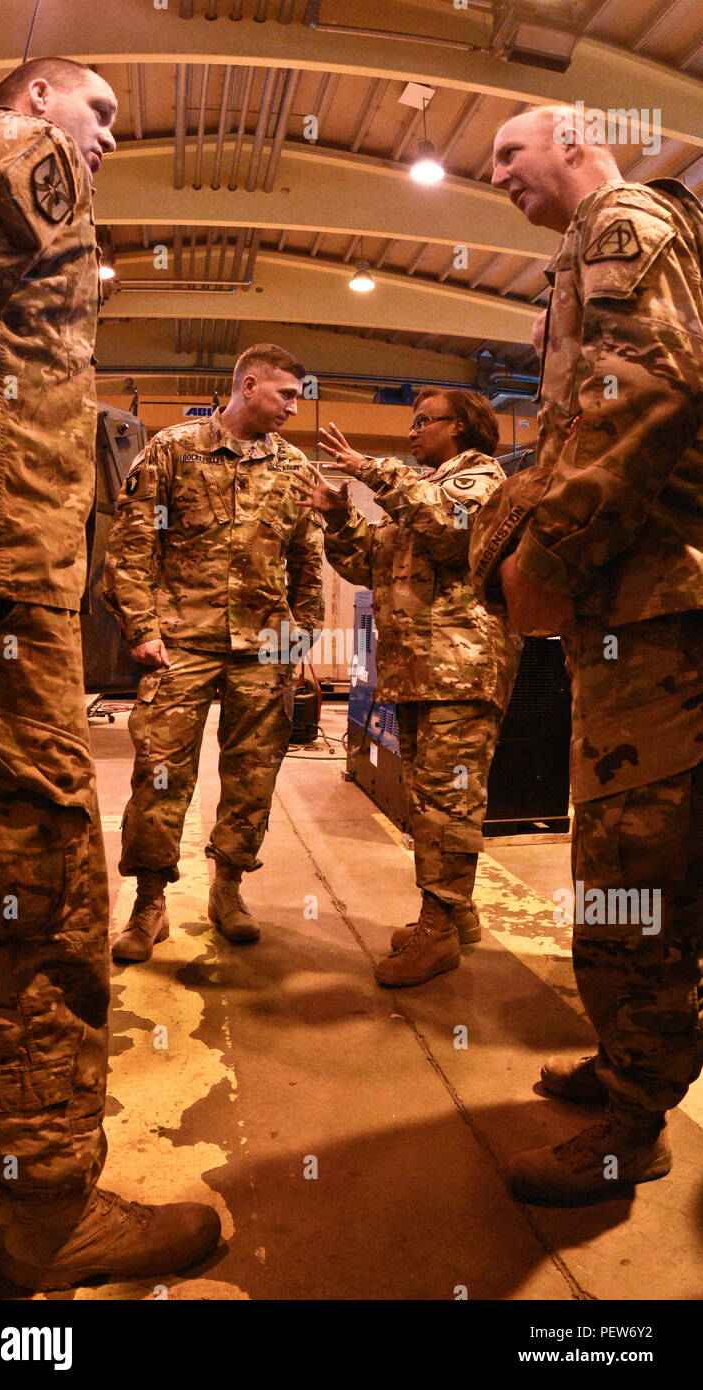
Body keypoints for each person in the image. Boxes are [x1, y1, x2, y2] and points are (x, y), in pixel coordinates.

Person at [0, 56, 220, 1289]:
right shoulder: (17, 154)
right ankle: (46, 1207)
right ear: (39, 95)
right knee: (35, 882)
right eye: (99, 111)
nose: (106, 138)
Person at [470, 104, 703, 1203]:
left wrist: (546, 559)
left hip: (663, 608)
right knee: (635, 859)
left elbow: (642, 394)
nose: (493, 172)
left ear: (573, 142)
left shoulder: (620, 222)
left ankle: (633, 1119)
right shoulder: (582, 254)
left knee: (627, 870)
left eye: (507, 152)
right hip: (644, 603)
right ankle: (630, 1065)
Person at [291, 392, 522, 986]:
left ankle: (439, 930)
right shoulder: (421, 489)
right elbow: (371, 564)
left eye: (424, 421)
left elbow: (449, 529)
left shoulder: (479, 480)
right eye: (412, 421)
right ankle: (455, 914)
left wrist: (370, 468)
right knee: (429, 799)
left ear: (463, 427)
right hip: (420, 673)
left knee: (449, 801)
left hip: (461, 670)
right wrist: (340, 515)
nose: (412, 431)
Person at [103, 343, 324, 958]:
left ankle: (227, 890)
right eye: (285, 394)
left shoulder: (292, 467)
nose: (292, 407)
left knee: (252, 775)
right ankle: (149, 904)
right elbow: (132, 543)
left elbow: (307, 557)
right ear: (248, 386)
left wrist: (302, 633)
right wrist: (142, 629)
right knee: (160, 772)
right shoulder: (174, 449)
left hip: (264, 647)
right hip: (181, 643)